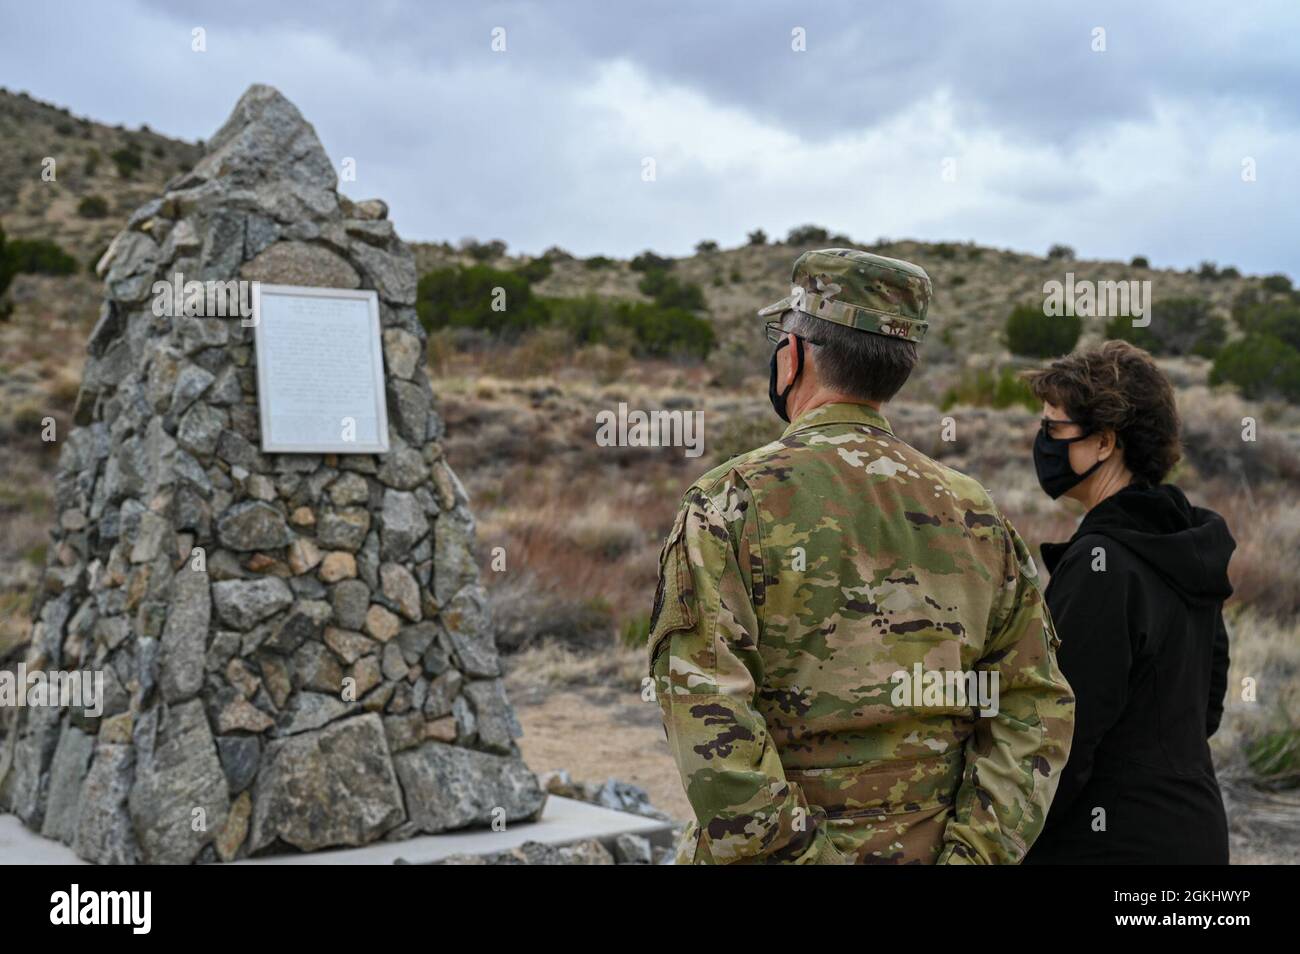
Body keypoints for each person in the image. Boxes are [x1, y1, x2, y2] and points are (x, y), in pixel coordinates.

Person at [647, 248, 1074, 864]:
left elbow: (707, 711)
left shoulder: (730, 502)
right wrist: (974, 856)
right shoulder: (974, 511)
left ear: (792, 356)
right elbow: (1033, 702)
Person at [1022, 340, 1232, 865]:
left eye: (1054, 428)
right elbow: (1206, 706)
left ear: (1105, 442)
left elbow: (1065, 741)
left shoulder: (1104, 563)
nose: (1041, 443)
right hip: (1194, 835)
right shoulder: (1185, 547)